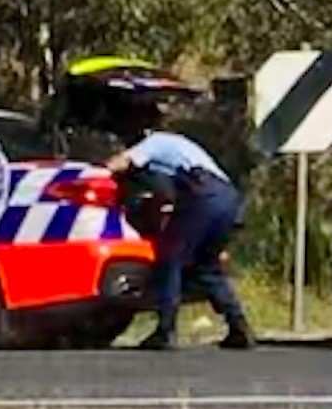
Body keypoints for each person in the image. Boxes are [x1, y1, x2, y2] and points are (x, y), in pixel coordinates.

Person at [107, 103, 257, 351]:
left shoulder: (155, 141)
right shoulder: (182, 146)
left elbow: (121, 163)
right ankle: (239, 326)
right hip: (227, 197)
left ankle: (165, 331)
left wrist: (92, 171)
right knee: (206, 266)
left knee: (170, 257)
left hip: (203, 195)